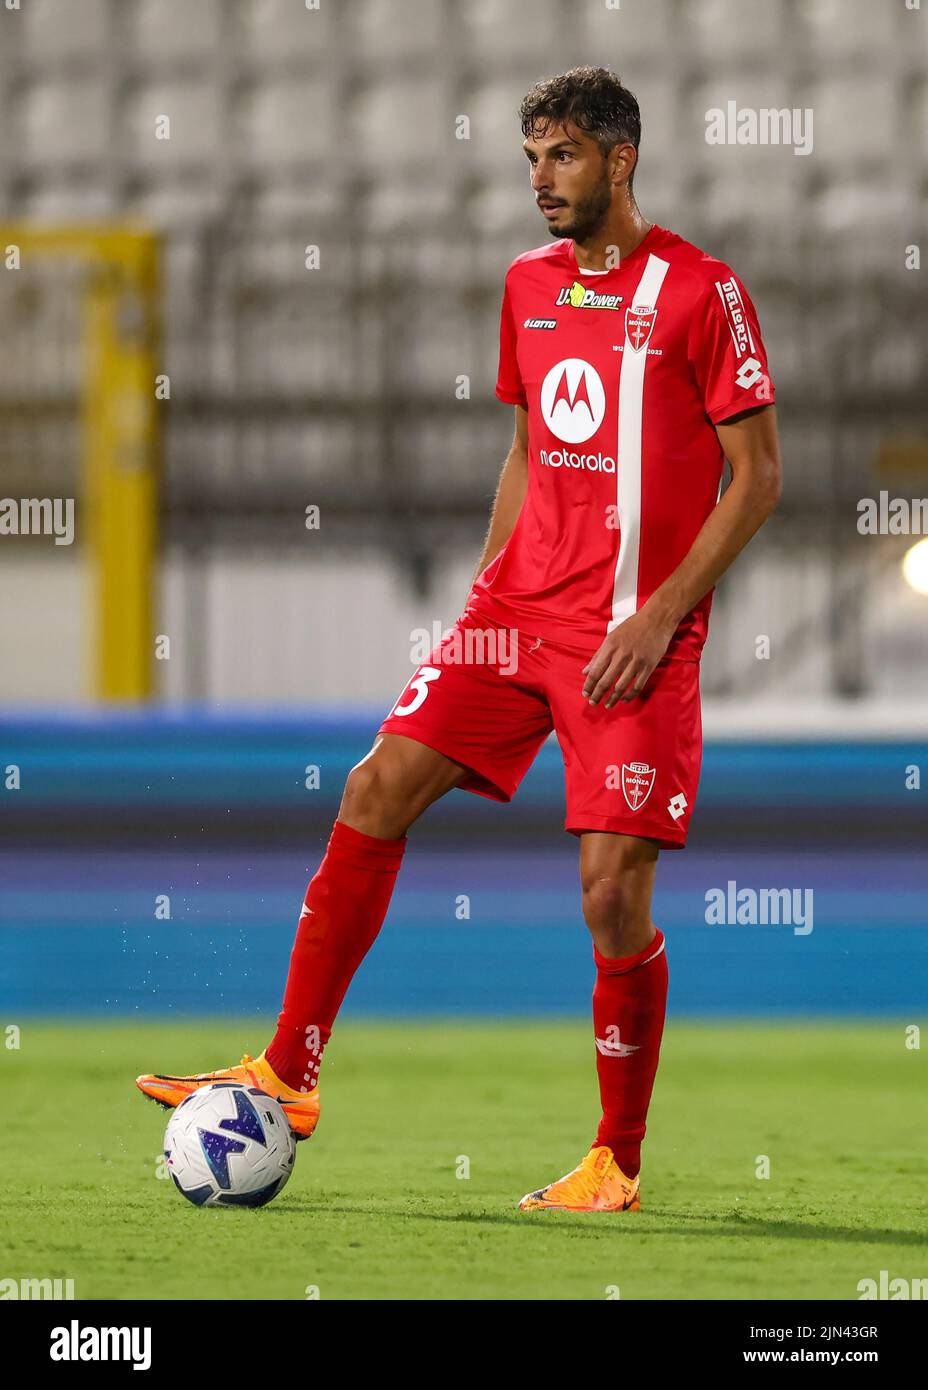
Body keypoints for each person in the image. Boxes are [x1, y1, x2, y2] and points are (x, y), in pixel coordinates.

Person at [137, 66, 782, 1213]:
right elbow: (531, 447)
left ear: (619, 162)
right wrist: (489, 590)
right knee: (374, 784)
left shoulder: (700, 292)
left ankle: (614, 1162)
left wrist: (660, 611)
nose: (540, 178)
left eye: (563, 156)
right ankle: (288, 1074)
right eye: (531, 156)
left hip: (631, 637)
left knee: (608, 899)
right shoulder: (526, 285)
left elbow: (758, 475)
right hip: (516, 618)